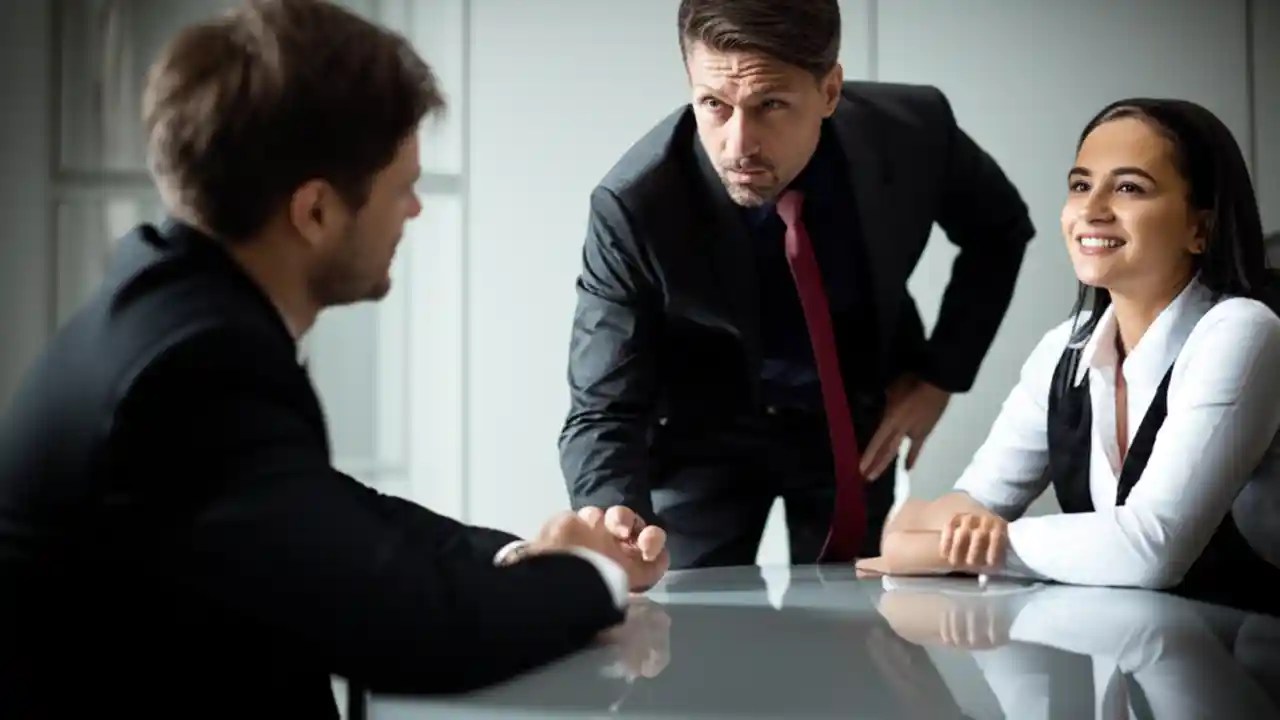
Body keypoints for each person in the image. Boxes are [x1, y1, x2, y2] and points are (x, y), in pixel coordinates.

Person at [0, 0, 667, 716]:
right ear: (315, 212)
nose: (414, 210)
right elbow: (414, 628)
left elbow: (337, 515)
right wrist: (587, 574)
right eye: (402, 186)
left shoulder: (170, 306)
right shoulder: (194, 369)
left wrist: (525, 558)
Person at [559, 0, 1035, 569]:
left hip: (854, 422)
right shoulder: (634, 203)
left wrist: (940, 376)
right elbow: (602, 405)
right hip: (702, 431)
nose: (738, 145)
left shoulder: (913, 131)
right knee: (687, 639)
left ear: (829, 91)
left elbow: (999, 230)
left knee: (856, 634)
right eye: (714, 104)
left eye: (771, 105)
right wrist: (616, 517)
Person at [860, 97, 1280, 615]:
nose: (1092, 208)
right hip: (1140, 657)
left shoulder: (1242, 330)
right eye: (1081, 185)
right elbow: (957, 510)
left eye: (1129, 187)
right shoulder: (1066, 348)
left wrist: (969, 547)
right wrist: (927, 537)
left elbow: (1151, 550)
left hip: (1252, 672)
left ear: (1201, 228)